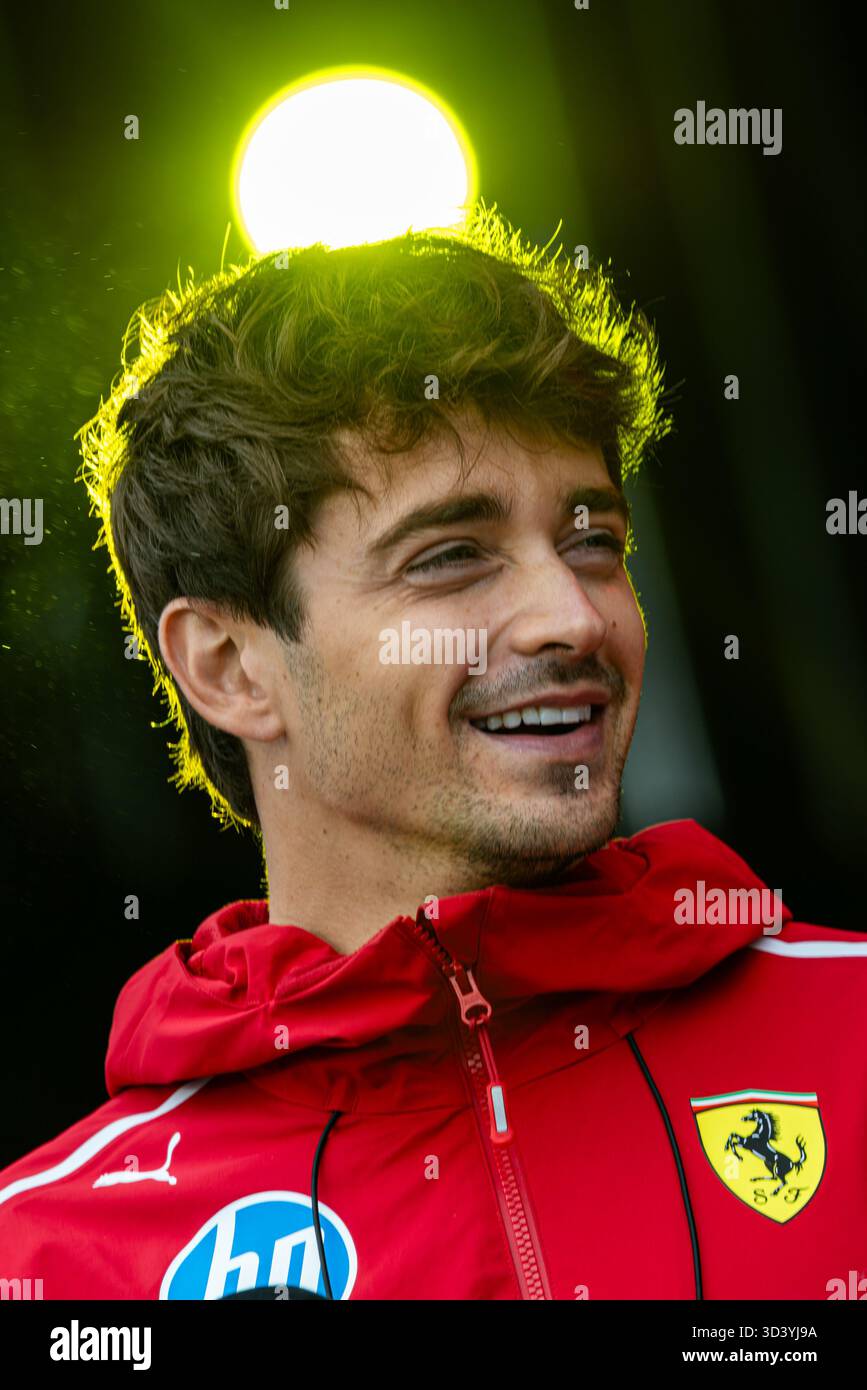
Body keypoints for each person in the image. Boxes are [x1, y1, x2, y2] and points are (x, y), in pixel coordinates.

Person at [1, 204, 864, 1301]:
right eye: (452, 556)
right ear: (227, 665)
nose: (574, 616)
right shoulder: (56, 1259)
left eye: (592, 540)